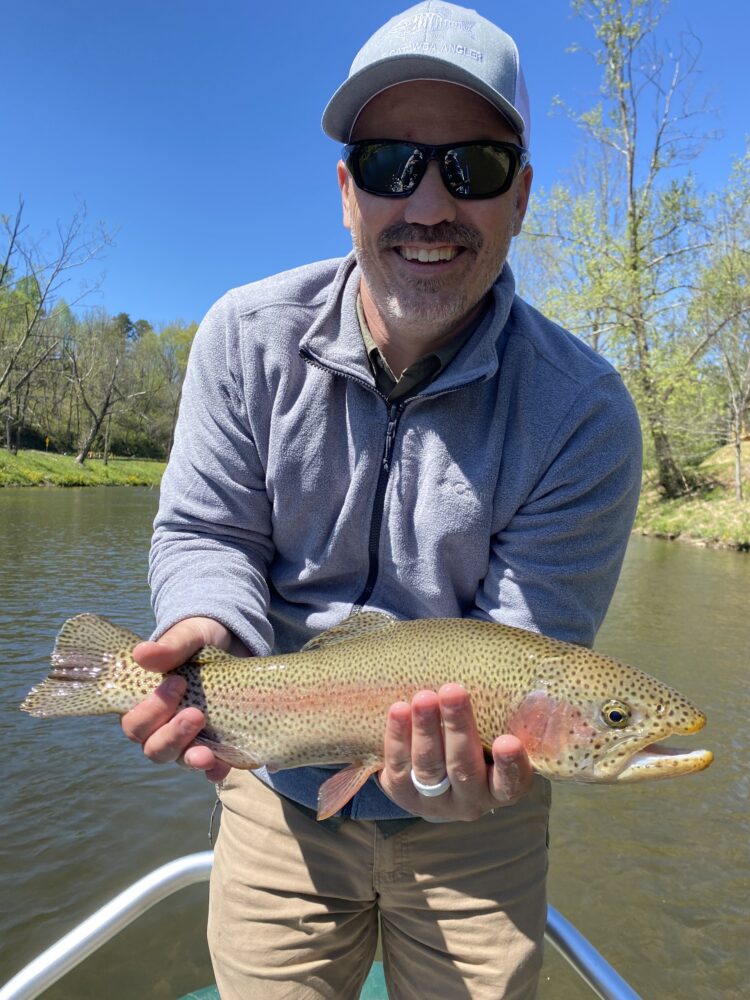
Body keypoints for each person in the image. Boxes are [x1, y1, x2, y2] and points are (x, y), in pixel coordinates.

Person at [122, 3, 642, 997]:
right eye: (392, 163)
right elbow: (206, 530)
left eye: (474, 168)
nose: (430, 203)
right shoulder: (242, 336)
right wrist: (200, 629)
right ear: (346, 189)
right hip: (273, 790)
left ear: (522, 196)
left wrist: (466, 771)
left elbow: (518, 653)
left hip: (480, 831)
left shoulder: (586, 415)